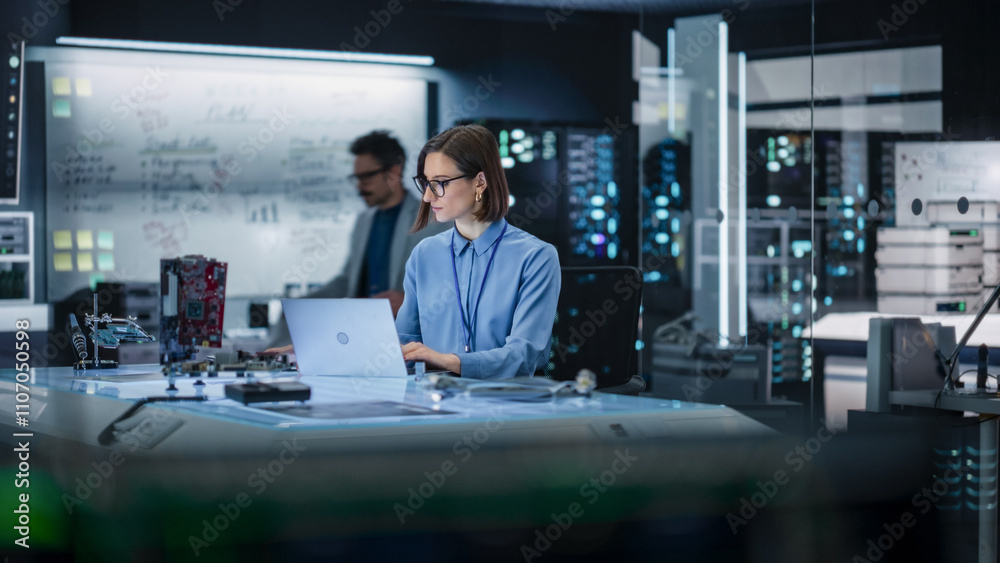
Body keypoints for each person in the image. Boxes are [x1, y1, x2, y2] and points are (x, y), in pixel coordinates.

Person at [396, 124, 560, 379]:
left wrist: (448, 361)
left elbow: (522, 356)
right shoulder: (424, 255)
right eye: (425, 183)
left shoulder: (536, 257)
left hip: (505, 406)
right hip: (434, 403)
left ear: (480, 182)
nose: (428, 197)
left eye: (440, 183)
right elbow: (405, 345)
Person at [265, 130, 445, 349]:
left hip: (402, 344)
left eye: (367, 177)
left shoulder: (432, 219)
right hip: (358, 339)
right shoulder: (364, 221)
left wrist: (411, 302)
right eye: (356, 178)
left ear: (393, 173)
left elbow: (451, 290)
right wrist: (301, 305)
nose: (359, 186)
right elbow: (346, 282)